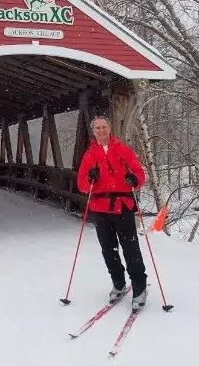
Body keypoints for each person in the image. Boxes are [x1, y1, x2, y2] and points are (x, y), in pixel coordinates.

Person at [77, 116, 148, 310]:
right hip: (101, 208)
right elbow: (82, 184)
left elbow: (139, 174)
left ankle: (140, 286)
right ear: (93, 132)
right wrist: (90, 179)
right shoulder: (89, 155)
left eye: (104, 127)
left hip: (122, 205)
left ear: (110, 129)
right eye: (97, 128)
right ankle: (118, 282)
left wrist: (135, 179)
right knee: (108, 249)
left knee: (130, 249)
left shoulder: (123, 150)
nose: (101, 130)